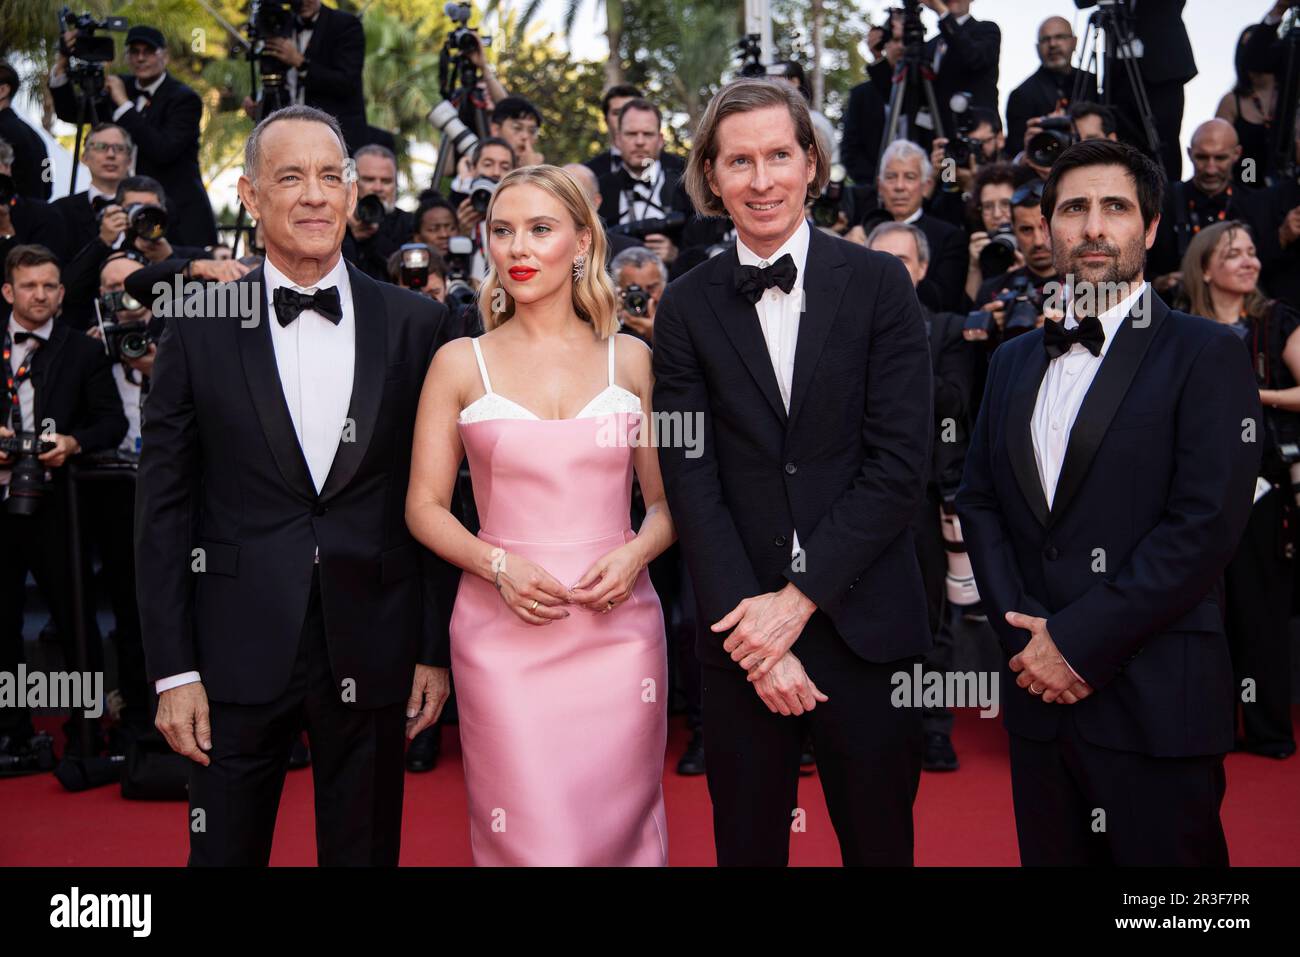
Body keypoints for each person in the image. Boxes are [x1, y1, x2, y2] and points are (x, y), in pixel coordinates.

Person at [135, 105, 456, 866]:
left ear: (352, 194)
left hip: (374, 643)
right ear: (250, 197)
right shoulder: (199, 321)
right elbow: (163, 506)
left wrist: (431, 647)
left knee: (365, 851)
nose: (314, 195)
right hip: (231, 653)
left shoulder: (416, 324)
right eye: (290, 177)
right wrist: (173, 669)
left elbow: (442, 495)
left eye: (330, 176)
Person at [957, 139, 1261, 865]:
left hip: (1156, 701)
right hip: (1039, 703)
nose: (1093, 226)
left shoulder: (1206, 352)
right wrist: (1029, 646)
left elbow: (1204, 526)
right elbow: (980, 503)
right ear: (1049, 227)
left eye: (1115, 207)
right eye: (1073, 209)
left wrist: (1076, 643)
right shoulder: (1009, 361)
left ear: (1150, 228)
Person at [654, 78, 933, 866]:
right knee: (747, 849)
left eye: (780, 155)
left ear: (811, 162)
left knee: (880, 848)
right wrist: (760, 635)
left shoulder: (880, 283)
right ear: (711, 176)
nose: (762, 179)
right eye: (739, 161)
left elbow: (899, 465)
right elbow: (690, 473)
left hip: (866, 623)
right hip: (741, 639)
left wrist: (797, 602)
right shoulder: (684, 306)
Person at [405, 164, 675, 865]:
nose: (518, 248)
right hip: (502, 632)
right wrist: (497, 564)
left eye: (540, 229)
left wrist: (634, 553)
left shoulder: (634, 361)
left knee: (619, 832)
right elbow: (424, 507)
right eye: (502, 230)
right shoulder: (460, 362)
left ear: (583, 241)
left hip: (621, 634)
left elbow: (667, 505)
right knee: (530, 837)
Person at [0, 244, 128, 762]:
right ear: (9, 291)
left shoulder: (82, 350)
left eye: (49, 285)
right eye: (29, 285)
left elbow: (112, 423)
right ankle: (12, 730)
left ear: (61, 292)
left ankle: (85, 727)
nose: (40, 294)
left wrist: (72, 443)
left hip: (60, 507)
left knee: (77, 621)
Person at [1179, 220, 1297, 760]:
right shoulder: (1179, 328)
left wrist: (1257, 395)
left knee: (1260, 609)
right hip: (1192, 490)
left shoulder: (1275, 322)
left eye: (1253, 253)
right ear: (1206, 268)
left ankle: (1268, 729)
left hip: (1261, 489)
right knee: (1203, 612)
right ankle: (1212, 729)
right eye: (1234, 254)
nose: (1250, 262)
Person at [867, 221, 972, 772]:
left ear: (923, 268)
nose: (891, 271)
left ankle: (933, 727)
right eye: (880, 259)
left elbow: (953, 400)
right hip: (855, 502)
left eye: (901, 261)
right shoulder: (839, 332)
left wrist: (895, 351)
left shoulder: (948, 329)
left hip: (925, 501)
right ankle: (866, 725)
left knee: (931, 619)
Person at [51, 26, 218, 247]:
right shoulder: (121, 85)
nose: (140, 58)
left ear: (164, 56)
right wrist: (62, 62)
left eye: (148, 52)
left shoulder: (184, 98)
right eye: (134, 52)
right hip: (128, 215)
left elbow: (163, 150)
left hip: (178, 216)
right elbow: (72, 113)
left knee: (174, 280)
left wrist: (123, 105)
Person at [1073, 0, 1195, 182]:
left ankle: (1167, 202)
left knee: (1163, 144)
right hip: (1118, 71)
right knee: (1120, 147)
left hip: (1161, 67)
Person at [1149, 119, 1276, 293]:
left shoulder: (1256, 205)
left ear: (1237, 154)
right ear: (1189, 154)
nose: (1210, 169)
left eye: (1220, 158)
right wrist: (1158, 283)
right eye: (1202, 157)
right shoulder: (1162, 201)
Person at [597, 98, 693, 267]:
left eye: (647, 134)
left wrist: (677, 254)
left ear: (661, 140)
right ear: (618, 139)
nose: (640, 142)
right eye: (631, 134)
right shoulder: (601, 188)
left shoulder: (687, 186)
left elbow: (706, 247)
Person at [1006, 17, 1098, 158]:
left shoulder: (1091, 82)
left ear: (1074, 42)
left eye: (1060, 37)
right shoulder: (1022, 94)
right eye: (1045, 40)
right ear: (1037, 48)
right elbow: (1016, 152)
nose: (1053, 44)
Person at [919, 0, 1001, 143]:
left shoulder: (987, 30)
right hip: (940, 140)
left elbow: (972, 57)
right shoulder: (931, 45)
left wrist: (943, 13)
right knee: (947, 166)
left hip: (976, 136)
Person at [49, 124, 131, 262]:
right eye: (101, 147)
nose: (111, 154)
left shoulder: (152, 206)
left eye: (119, 149)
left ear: (129, 160)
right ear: (84, 157)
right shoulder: (60, 211)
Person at [0, 63, 51, 201]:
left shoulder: (3, 131)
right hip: (37, 215)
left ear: (3, 90)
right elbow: (47, 186)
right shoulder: (37, 138)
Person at [585, 84, 644, 180]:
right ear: (606, 120)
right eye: (617, 113)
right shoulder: (588, 173)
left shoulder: (675, 168)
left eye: (631, 111)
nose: (624, 118)